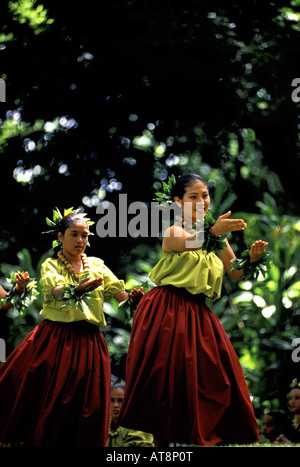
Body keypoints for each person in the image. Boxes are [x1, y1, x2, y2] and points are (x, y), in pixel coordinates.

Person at [117, 173, 268, 446]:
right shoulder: (174, 232)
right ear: (178, 202)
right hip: (166, 308)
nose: (201, 201)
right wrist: (215, 233)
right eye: (193, 196)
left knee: (216, 377)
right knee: (165, 379)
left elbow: (236, 274)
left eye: (205, 195)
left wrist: (252, 260)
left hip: (199, 313)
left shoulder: (217, 237)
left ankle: (207, 438)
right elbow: (194, 242)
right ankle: (161, 447)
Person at [0, 210, 142, 447]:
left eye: (84, 235)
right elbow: (54, 290)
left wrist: (133, 299)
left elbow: (120, 294)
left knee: (90, 406)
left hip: (90, 344)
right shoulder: (51, 265)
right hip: (56, 340)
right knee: (51, 403)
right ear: (60, 236)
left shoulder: (97, 266)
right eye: (74, 234)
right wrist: (76, 290)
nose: (80, 240)